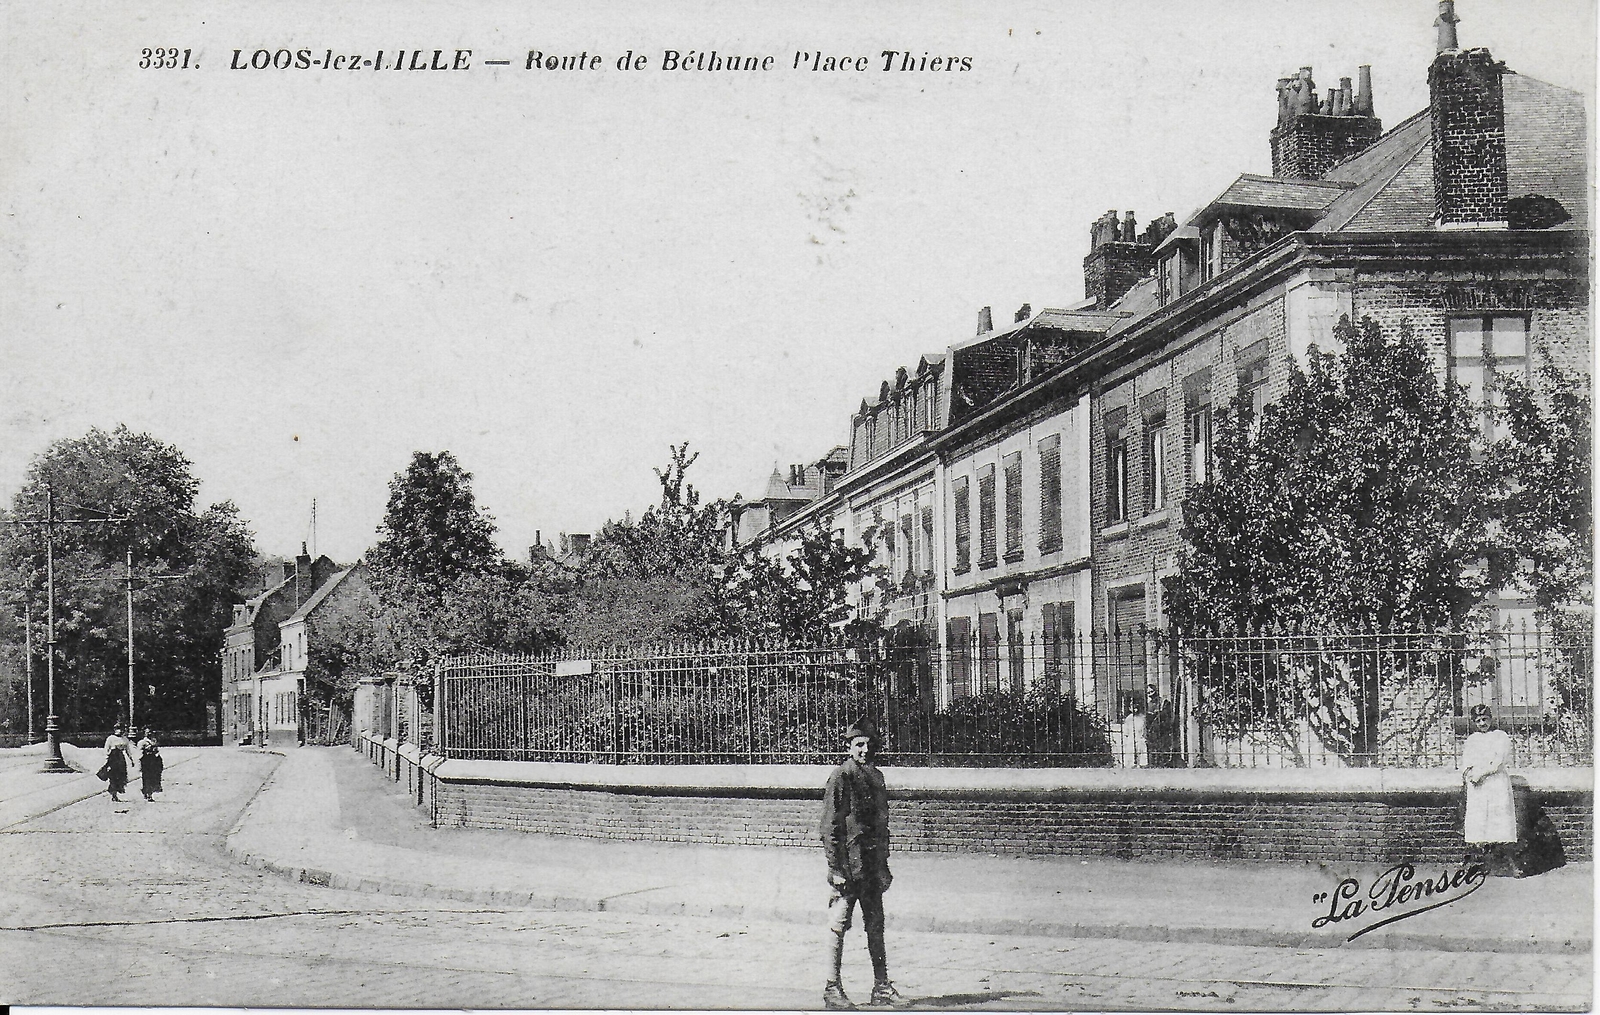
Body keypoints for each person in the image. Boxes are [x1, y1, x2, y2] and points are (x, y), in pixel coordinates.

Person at [819, 722, 907, 1010]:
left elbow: (882, 827)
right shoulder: (841, 777)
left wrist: (883, 867)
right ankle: (832, 988)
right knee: (839, 925)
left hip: (870, 868)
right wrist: (835, 868)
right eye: (859, 745)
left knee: (875, 926)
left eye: (869, 745)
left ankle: (881, 987)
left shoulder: (877, 778)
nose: (865, 750)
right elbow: (830, 826)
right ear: (849, 747)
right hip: (848, 867)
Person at [1461, 704, 1518, 875]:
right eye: (1478, 720)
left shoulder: (1500, 737)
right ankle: (1479, 864)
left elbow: (1498, 761)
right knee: (1478, 820)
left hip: (1495, 783)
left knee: (1500, 820)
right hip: (1478, 786)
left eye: (1485, 719)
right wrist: (1469, 775)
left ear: (1491, 719)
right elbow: (1466, 761)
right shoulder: (1472, 740)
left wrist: (1482, 773)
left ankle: (1508, 864)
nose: (1482, 723)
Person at [1145, 682, 1180, 768]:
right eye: (1148, 693)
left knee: (1163, 746)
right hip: (1152, 730)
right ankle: (1153, 763)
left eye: (1152, 692)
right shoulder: (1148, 705)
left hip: (1162, 729)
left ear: (1156, 691)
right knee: (1152, 747)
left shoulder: (1163, 702)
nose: (1150, 694)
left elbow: (1167, 715)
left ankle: (1164, 762)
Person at [102, 724, 136, 804]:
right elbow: (106, 750)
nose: (120, 731)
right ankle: (113, 794)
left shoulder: (125, 739)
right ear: (114, 730)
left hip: (121, 758)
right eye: (118, 729)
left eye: (121, 729)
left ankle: (117, 792)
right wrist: (107, 760)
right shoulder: (111, 738)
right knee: (113, 776)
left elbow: (128, 750)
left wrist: (131, 759)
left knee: (121, 776)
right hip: (113, 758)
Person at [137, 728, 164, 802]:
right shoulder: (142, 742)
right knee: (146, 778)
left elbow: (157, 751)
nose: (149, 734)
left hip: (153, 761)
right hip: (146, 762)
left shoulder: (154, 741)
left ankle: (149, 793)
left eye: (150, 732)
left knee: (153, 777)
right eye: (147, 732)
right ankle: (148, 793)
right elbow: (139, 753)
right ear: (144, 733)